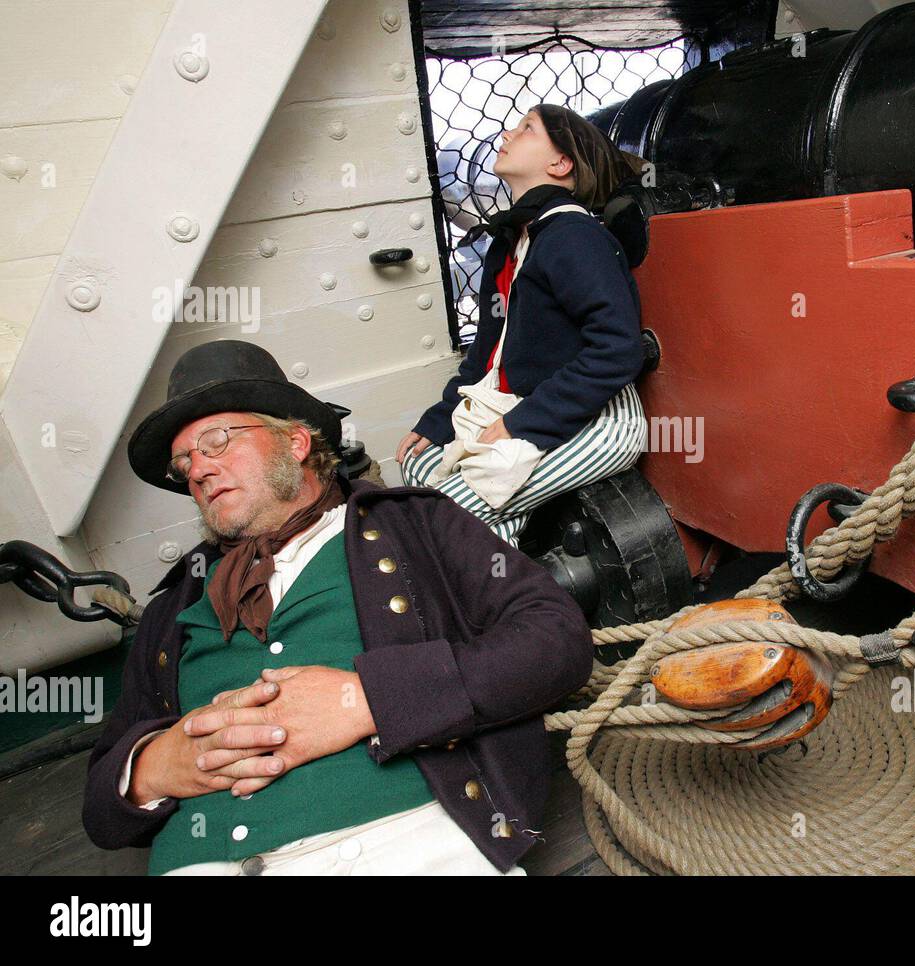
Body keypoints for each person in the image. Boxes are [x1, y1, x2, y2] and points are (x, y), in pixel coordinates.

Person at [82, 340, 593, 875]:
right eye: (184, 461)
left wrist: (364, 700)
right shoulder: (175, 601)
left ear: (296, 441)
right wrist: (150, 770)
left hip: (408, 843)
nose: (198, 472)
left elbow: (555, 640)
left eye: (216, 442)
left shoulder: (416, 523)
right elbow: (100, 807)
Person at [397, 104, 649, 547]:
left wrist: (524, 422)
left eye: (527, 128)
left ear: (560, 163)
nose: (509, 134)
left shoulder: (573, 236)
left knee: (440, 513)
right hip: (519, 400)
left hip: (600, 419)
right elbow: (486, 352)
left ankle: (503, 591)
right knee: (418, 465)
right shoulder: (517, 240)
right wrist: (440, 418)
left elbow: (617, 350)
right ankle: (511, 576)